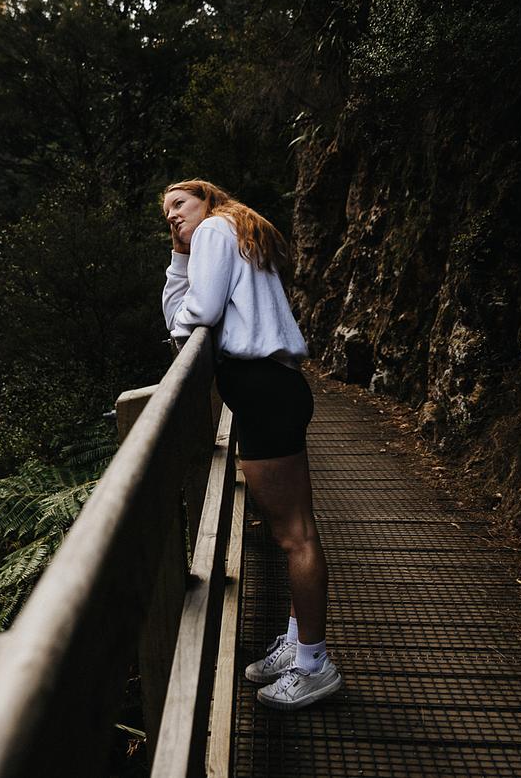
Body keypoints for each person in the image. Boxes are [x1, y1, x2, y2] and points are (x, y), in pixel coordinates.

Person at [160, 178, 342, 710]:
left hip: (263, 390)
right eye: (166, 213)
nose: (172, 215)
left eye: (180, 204)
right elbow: (191, 305)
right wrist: (178, 259)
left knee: (295, 536)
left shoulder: (215, 229)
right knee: (296, 532)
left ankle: (315, 664)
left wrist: (181, 324)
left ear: (207, 200)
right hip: (273, 389)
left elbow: (195, 313)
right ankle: (299, 643)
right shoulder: (234, 233)